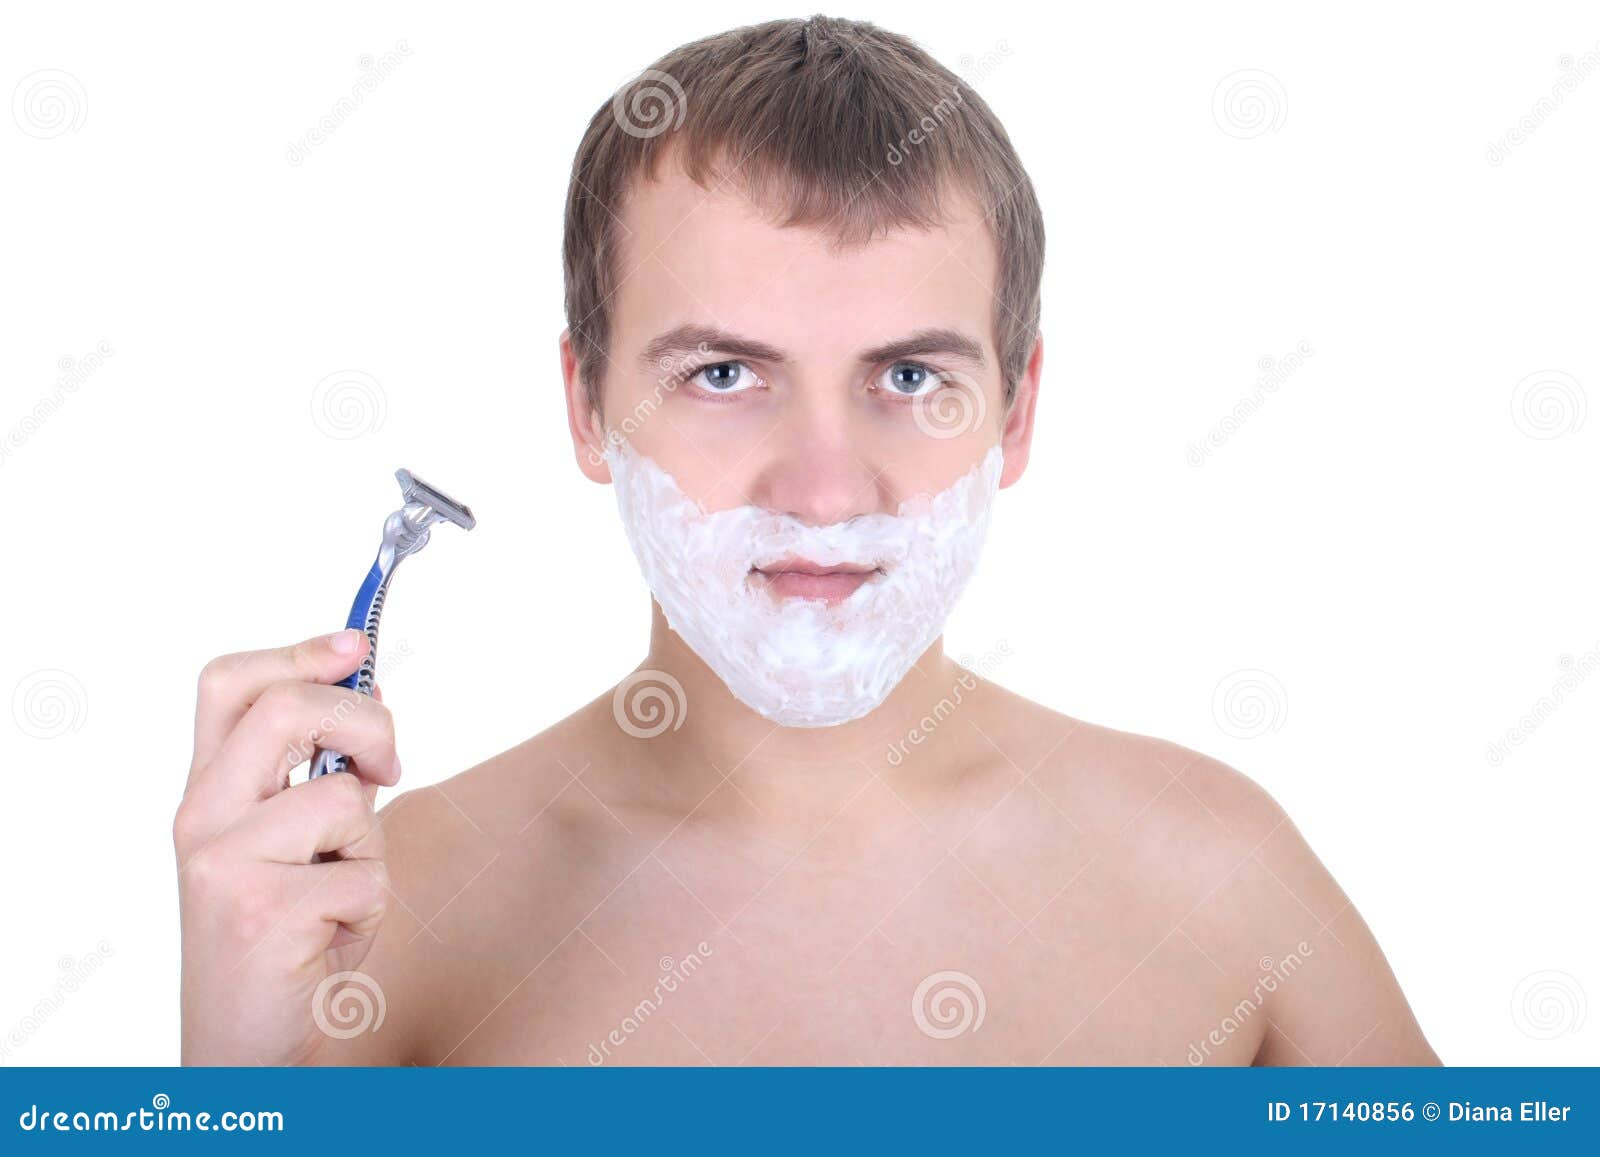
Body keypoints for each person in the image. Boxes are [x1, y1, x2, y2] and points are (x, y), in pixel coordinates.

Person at [174, 15, 1437, 1066]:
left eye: (907, 376)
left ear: (1018, 411)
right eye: (725, 372)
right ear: (585, 405)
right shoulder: (383, 919)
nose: (827, 489)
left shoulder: (1217, 877)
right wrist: (233, 1094)